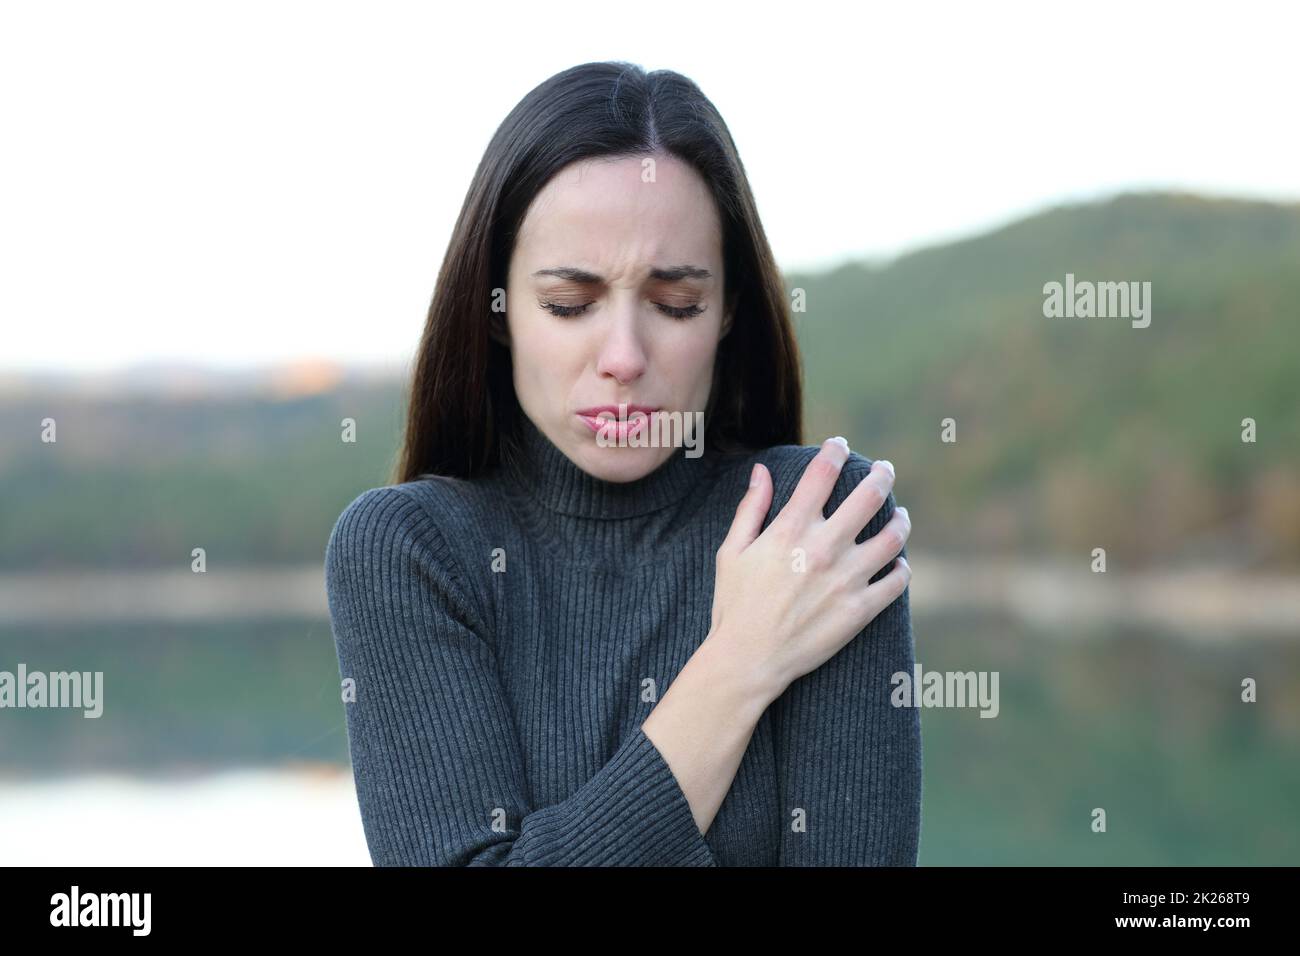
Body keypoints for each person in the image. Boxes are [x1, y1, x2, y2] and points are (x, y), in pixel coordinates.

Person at [324, 60, 919, 866]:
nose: (624, 357)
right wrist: (739, 664)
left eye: (676, 304)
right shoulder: (411, 551)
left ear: (729, 309)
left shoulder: (813, 524)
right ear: (496, 308)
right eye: (570, 304)